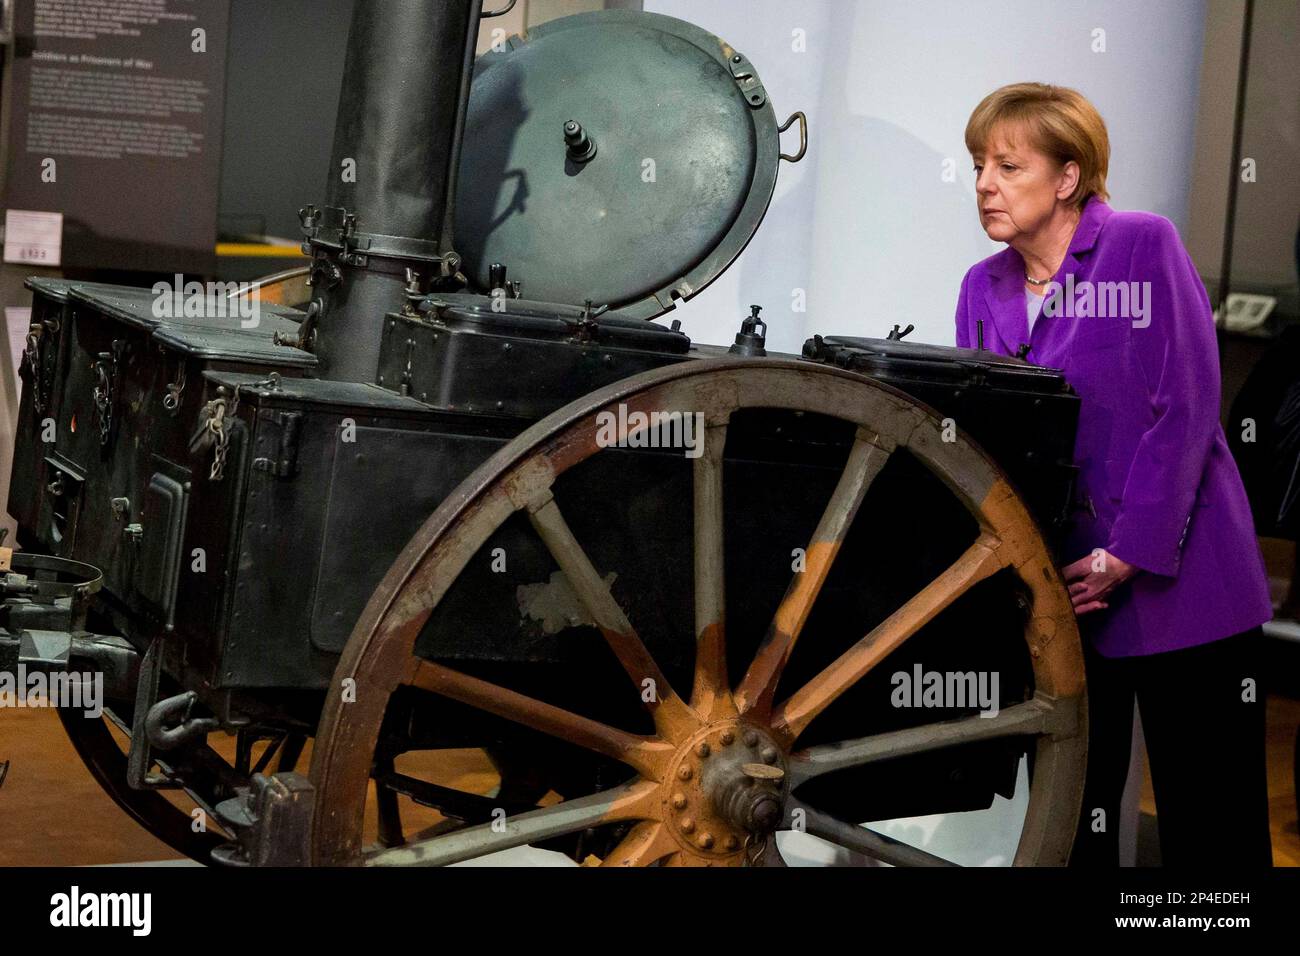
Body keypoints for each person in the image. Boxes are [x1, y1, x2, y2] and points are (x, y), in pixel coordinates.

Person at [954, 82, 1273, 866]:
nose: (984, 184)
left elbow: (1188, 408)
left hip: (1183, 586)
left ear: (1067, 178)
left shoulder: (1142, 245)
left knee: (1214, 824)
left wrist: (1128, 550)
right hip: (1060, 597)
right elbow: (981, 441)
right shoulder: (980, 286)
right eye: (977, 166)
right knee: (1075, 817)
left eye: (1007, 165)